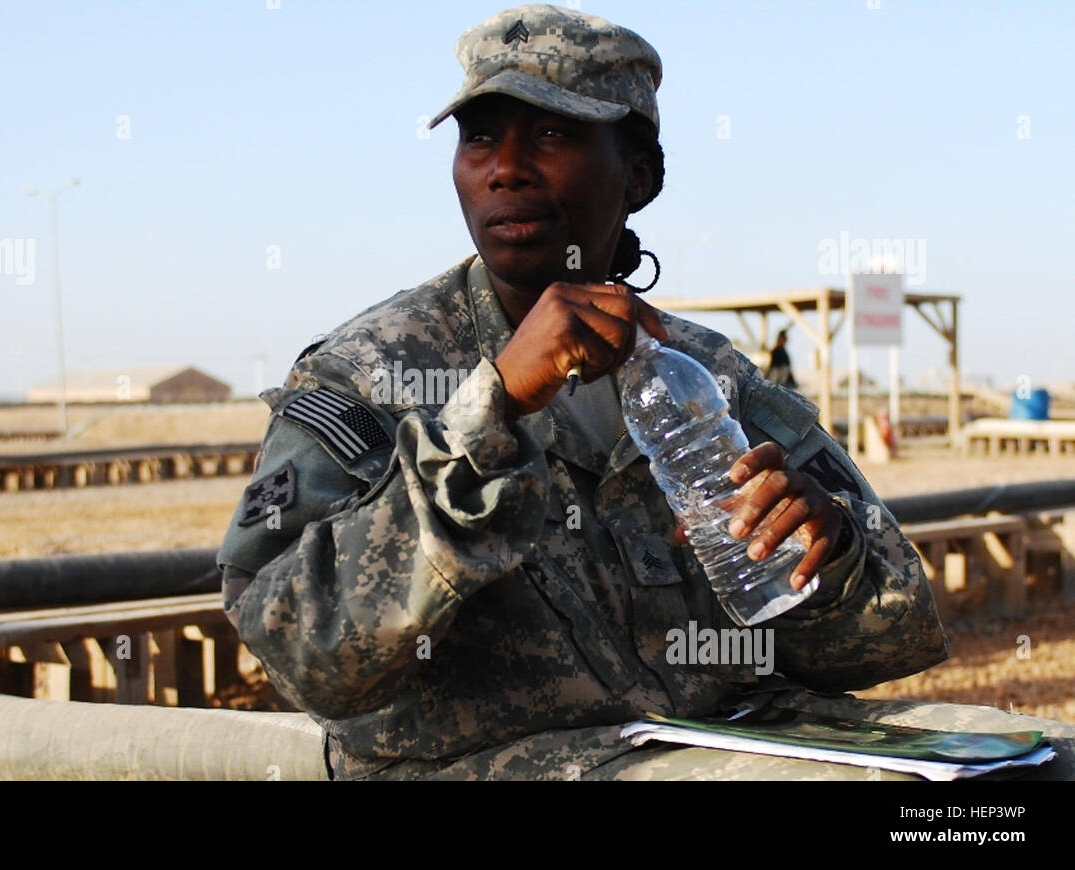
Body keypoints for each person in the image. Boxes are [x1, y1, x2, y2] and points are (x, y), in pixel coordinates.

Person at [217, 4, 1075, 780]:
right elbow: (295, 650)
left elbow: (895, 638)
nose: (506, 169)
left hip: (727, 752)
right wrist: (491, 412)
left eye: (550, 136)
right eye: (481, 138)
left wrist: (827, 549)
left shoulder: (712, 377)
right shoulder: (369, 373)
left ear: (638, 174)